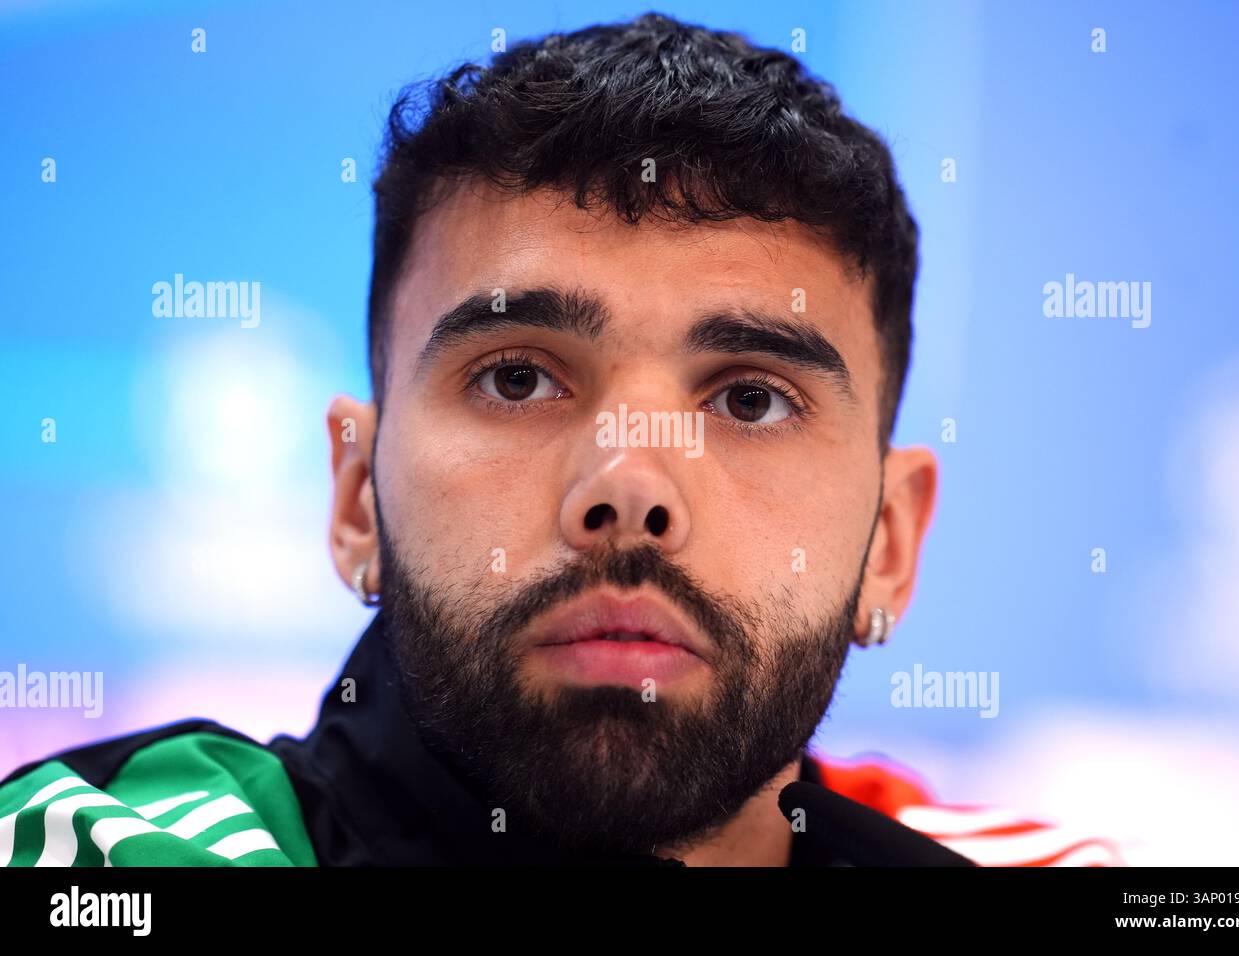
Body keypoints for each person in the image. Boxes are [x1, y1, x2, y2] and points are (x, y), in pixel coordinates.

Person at [0, 12, 1122, 867]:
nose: (629, 484)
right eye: (520, 377)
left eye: (748, 399)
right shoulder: (102, 853)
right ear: (355, 499)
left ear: (888, 540)